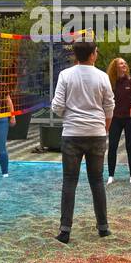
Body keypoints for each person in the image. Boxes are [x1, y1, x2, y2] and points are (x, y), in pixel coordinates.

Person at [51, 40, 114, 244]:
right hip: (96, 133)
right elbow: (109, 106)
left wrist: (69, 115)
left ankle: (65, 230)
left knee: (70, 181)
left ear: (76, 55)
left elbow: (57, 106)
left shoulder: (65, 75)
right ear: (93, 55)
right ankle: (103, 227)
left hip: (72, 133)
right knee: (97, 181)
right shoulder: (103, 76)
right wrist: (103, 128)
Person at [105, 57, 131, 184]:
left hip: (130, 119)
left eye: (125, 63)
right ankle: (111, 175)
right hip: (115, 119)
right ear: (115, 67)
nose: (124, 65)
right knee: (112, 146)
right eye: (121, 63)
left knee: (130, 147)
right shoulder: (110, 82)